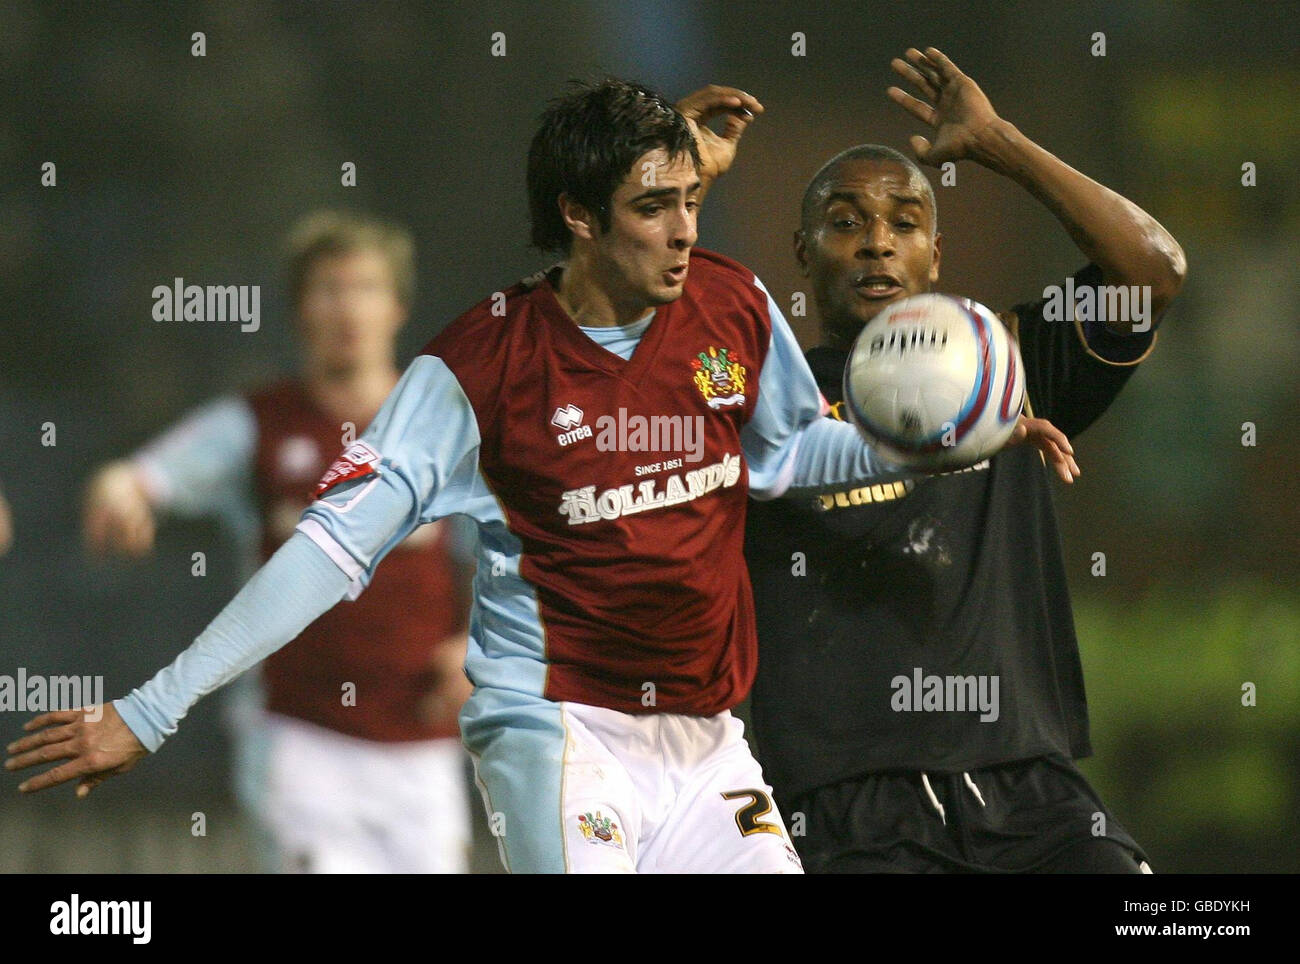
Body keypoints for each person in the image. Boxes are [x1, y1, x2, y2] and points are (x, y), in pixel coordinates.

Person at [7, 79, 1076, 874]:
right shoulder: (476, 367)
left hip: (709, 740)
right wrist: (153, 708)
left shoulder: (733, 305)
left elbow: (786, 455)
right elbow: (325, 553)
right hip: (559, 731)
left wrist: (934, 440)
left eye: (691, 200)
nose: (687, 228)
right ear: (578, 215)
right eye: (655, 206)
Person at [739, 48, 1186, 872]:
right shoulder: (762, 409)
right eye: (845, 222)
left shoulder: (1005, 366)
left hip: (1033, 794)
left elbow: (1152, 272)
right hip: (846, 808)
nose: (877, 244)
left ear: (934, 255)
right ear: (803, 254)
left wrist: (999, 146)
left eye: (904, 223)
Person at [79, 211, 475, 873]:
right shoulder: (255, 423)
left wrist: (479, 648)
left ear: (399, 306)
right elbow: (136, 476)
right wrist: (119, 495)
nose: (347, 306)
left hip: (422, 746)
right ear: (299, 309)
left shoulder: (446, 429)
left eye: (366, 287)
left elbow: (512, 554)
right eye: (329, 288)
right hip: (298, 740)